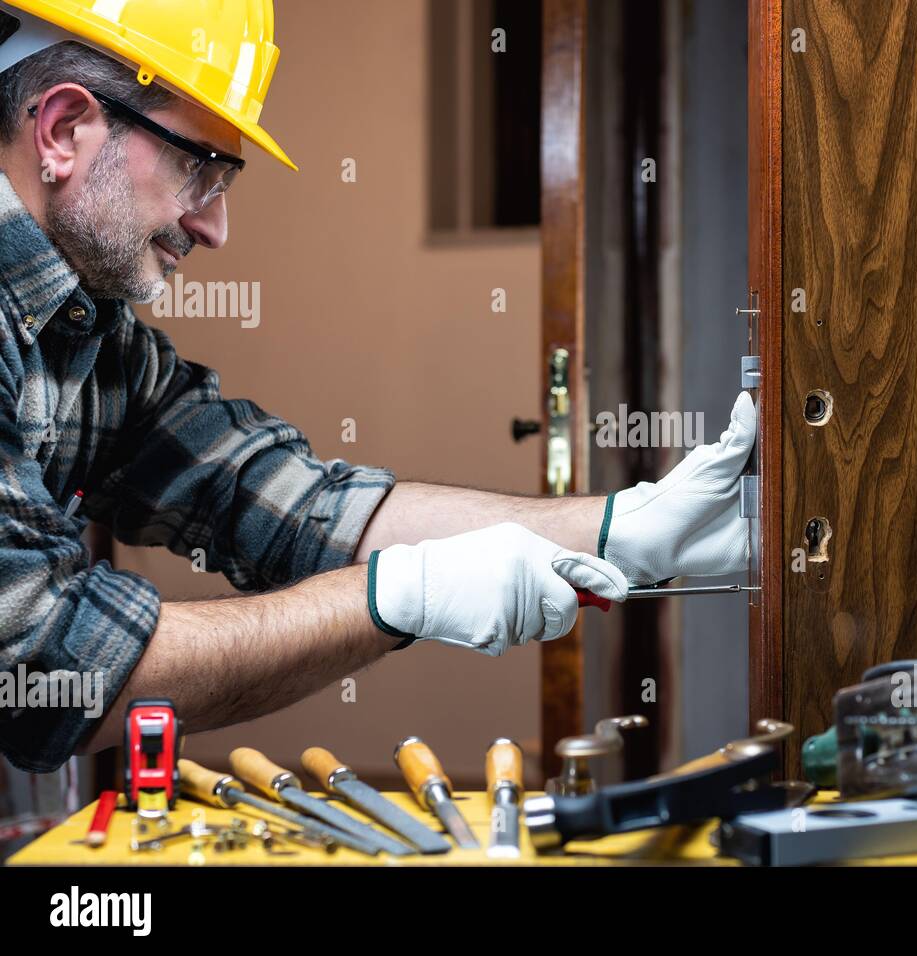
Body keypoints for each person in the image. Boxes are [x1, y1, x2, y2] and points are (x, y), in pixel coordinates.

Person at [0, 0, 755, 773]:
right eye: (200, 167)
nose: (216, 227)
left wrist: (624, 529)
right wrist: (394, 599)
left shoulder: (85, 331)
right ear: (62, 129)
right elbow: (45, 669)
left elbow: (279, 502)